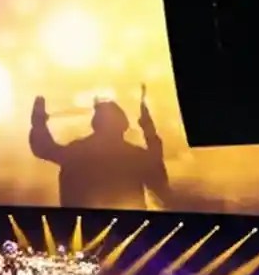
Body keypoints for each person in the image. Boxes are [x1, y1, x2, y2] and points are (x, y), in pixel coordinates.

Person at [29, 84, 172, 210]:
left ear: (96, 123)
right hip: (126, 226)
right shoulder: (134, 155)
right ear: (123, 125)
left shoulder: (79, 151)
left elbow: (45, 149)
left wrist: (38, 124)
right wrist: (148, 128)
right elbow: (157, 173)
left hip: (83, 226)